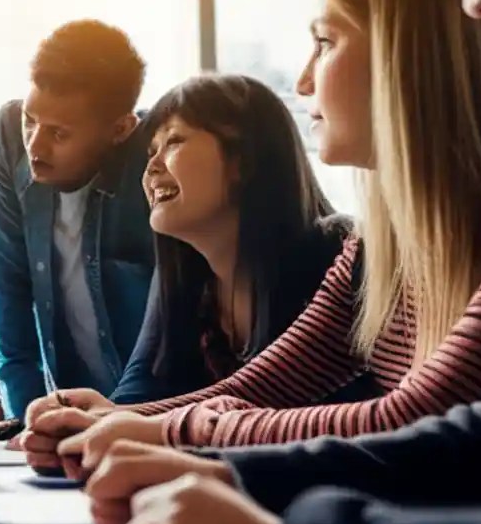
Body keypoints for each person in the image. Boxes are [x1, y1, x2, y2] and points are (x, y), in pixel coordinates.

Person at [43, 0, 481, 524]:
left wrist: (180, 439)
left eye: (325, 42)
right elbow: (269, 383)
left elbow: (423, 423)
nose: (303, 79)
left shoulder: (355, 245)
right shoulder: (377, 249)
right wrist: (128, 424)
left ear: (406, 56)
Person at [110, 74, 350, 405]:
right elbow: (141, 386)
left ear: (243, 160)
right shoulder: (183, 275)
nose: (151, 167)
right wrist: (88, 417)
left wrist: (121, 420)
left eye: (174, 141)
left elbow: (267, 396)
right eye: (152, 151)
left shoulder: (337, 255)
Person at [0, 20, 155, 420]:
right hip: (66, 411)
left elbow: (173, 329)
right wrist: (27, 421)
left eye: (59, 134)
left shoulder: (153, 159)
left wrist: (119, 423)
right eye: (30, 121)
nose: (34, 147)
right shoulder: (9, 136)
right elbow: (9, 285)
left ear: (120, 129)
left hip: (149, 413)